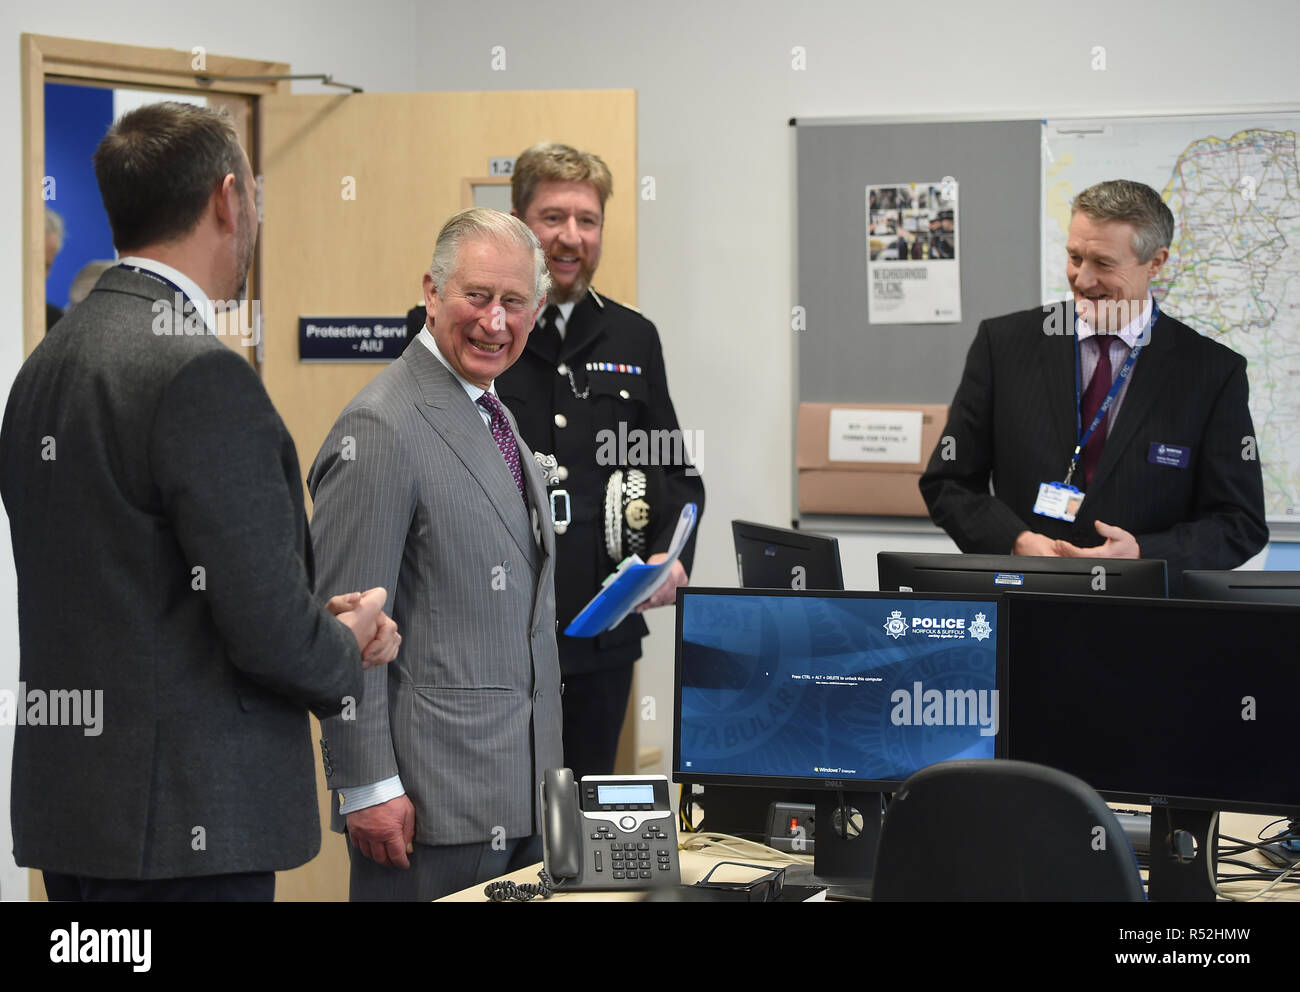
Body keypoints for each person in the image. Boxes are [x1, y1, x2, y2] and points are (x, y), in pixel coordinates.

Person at [0, 101, 400, 902]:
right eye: (255, 193)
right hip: (188, 830)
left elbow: (144, 590)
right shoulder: (200, 374)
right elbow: (265, 629)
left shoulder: (45, 364)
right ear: (228, 200)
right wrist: (345, 641)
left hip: (78, 819)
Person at [309, 208, 563, 902]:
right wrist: (367, 786)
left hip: (524, 796)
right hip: (427, 810)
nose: (495, 322)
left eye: (515, 303)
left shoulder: (493, 411)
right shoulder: (380, 425)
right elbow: (344, 628)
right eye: (477, 297)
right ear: (431, 291)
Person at [919, 179, 1267, 590]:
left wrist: (1142, 554)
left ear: (1155, 262)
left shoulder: (1212, 371)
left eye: (1103, 263)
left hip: (1145, 619)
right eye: (1074, 257)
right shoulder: (1004, 345)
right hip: (1025, 606)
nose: (1082, 280)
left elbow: (1239, 523)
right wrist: (1013, 541)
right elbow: (949, 482)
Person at [499, 142, 705, 780]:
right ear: (518, 224)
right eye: (553, 217)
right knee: (501, 817)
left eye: (587, 220)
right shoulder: (482, 327)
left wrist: (672, 562)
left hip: (599, 627)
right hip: (498, 627)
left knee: (581, 812)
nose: (571, 236)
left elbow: (671, 467)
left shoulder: (631, 337)